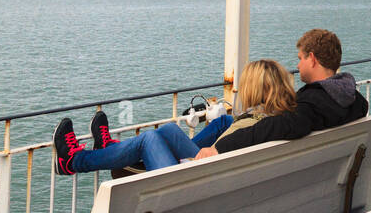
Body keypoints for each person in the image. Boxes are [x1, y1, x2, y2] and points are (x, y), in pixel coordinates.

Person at [52, 58, 298, 177]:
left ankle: (73, 161)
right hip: (216, 173)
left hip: (192, 183)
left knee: (150, 139)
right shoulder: (279, 117)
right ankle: (112, 149)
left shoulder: (257, 123)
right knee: (171, 130)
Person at [195, 28, 369, 157]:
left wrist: (220, 147)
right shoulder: (355, 100)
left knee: (171, 132)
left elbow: (282, 124)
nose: (298, 66)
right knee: (226, 121)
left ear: (313, 59)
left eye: (301, 59)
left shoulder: (312, 102)